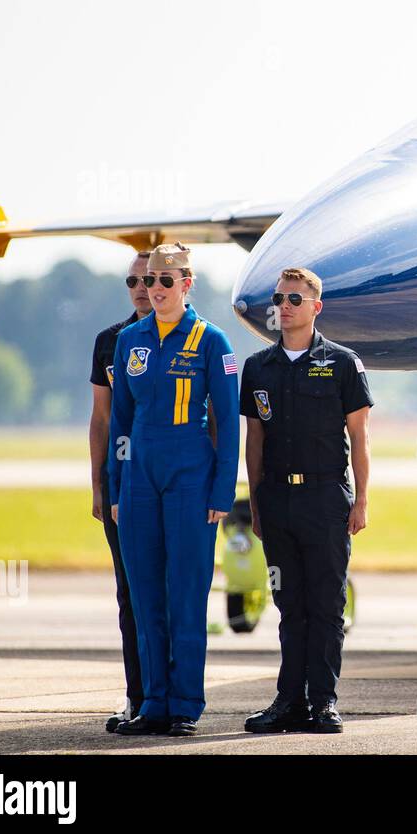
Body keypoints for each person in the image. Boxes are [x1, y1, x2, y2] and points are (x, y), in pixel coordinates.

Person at [107, 242, 240, 737]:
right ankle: (153, 702)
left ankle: (184, 703)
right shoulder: (130, 340)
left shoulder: (212, 341)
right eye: (148, 281)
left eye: (166, 280)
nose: (154, 289)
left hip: (190, 476)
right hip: (140, 476)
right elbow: (120, 419)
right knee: (144, 594)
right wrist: (116, 487)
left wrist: (221, 493)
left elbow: (227, 424)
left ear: (187, 283)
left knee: (185, 591)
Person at [242, 267, 371, 735]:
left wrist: (360, 502)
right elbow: (253, 441)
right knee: (289, 605)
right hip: (277, 499)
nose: (285, 306)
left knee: (326, 606)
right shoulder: (258, 367)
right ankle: (288, 702)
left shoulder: (342, 363)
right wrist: (256, 503)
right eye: (279, 299)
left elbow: (360, 438)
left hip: (325, 498)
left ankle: (323, 703)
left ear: (316, 307)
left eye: (295, 299)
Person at [89, 251, 152, 733]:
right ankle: (138, 697)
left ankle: (173, 697)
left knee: (173, 593)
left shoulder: (200, 339)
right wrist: (99, 484)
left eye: (149, 278)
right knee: (130, 594)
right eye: (132, 279)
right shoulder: (111, 342)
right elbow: (102, 419)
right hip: (121, 486)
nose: (139, 286)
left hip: (174, 484)